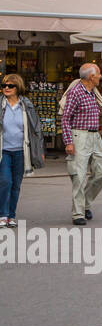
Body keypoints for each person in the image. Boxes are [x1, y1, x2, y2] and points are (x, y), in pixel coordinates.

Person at [61, 63, 102, 225]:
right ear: (90, 77)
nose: (100, 77)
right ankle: (78, 213)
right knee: (79, 176)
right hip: (79, 135)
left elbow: (88, 112)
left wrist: (101, 110)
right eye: (98, 74)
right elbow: (66, 118)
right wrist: (68, 142)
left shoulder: (92, 92)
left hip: (95, 136)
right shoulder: (76, 92)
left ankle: (86, 202)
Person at [0, 74, 45, 229]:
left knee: (16, 185)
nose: (6, 88)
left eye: (10, 86)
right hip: (3, 150)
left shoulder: (26, 105)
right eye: (4, 85)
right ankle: (3, 215)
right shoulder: (0, 104)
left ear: (17, 87)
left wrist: (39, 150)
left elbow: (36, 129)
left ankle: (11, 216)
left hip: (21, 151)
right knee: (5, 181)